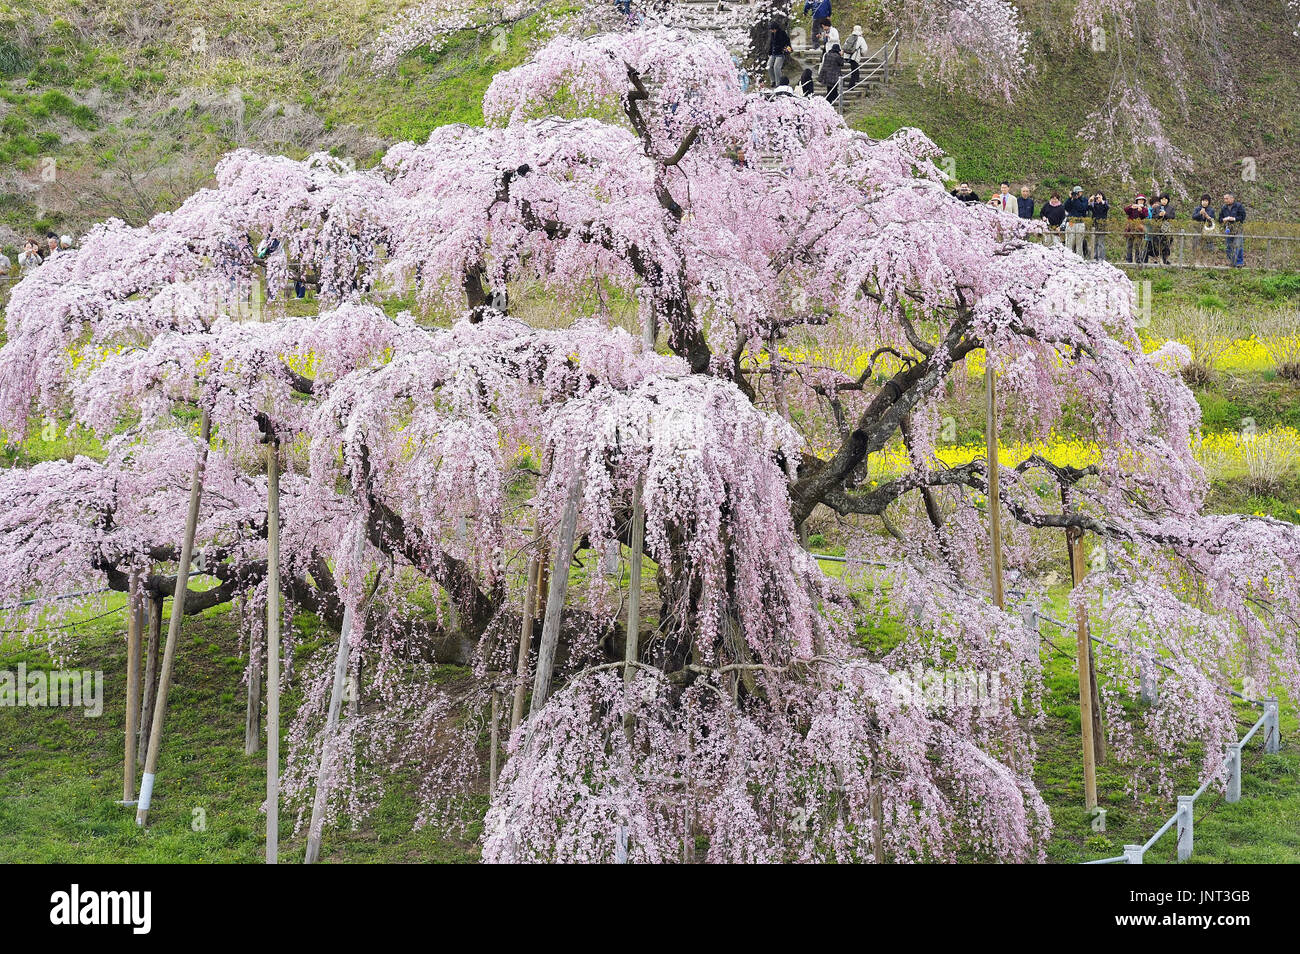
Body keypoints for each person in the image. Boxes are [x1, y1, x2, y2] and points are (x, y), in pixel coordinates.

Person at [1219, 192, 1246, 267]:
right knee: (1228, 247)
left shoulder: (1238, 206)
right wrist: (1223, 219)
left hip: (1238, 228)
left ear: (1232, 198)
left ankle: (1239, 263)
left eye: (1227, 198)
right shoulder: (1224, 207)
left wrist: (1233, 219)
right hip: (1228, 229)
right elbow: (1219, 219)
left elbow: (1243, 217)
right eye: (1224, 199)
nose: (1225, 200)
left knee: (1238, 246)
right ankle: (1231, 262)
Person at [1122, 194, 1150, 264]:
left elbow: (1145, 216)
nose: (1141, 201)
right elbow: (1126, 210)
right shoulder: (1133, 206)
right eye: (1139, 200)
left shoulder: (1144, 209)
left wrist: (1140, 211)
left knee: (1138, 244)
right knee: (1129, 244)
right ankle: (1128, 259)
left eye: (1142, 200)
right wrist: (1131, 207)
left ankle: (1138, 259)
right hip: (1130, 228)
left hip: (1139, 228)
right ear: (1137, 200)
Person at [1063, 186, 1089, 255]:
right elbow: (1066, 207)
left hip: (1080, 223)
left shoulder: (1084, 200)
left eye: (1080, 192)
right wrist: (1070, 198)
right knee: (1069, 241)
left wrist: (1076, 199)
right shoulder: (1070, 200)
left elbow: (1082, 208)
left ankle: (1079, 257)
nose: (1080, 193)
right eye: (1079, 192)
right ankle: (1067, 256)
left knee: (1079, 242)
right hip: (1071, 222)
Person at [1150, 194, 1176, 264]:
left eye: (1165, 199)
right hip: (1157, 228)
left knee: (1167, 243)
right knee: (1157, 243)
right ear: (1160, 200)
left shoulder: (1171, 208)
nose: (1164, 201)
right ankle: (1156, 258)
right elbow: (1153, 217)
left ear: (1168, 200)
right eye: (1162, 199)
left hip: (1167, 228)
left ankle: (1165, 259)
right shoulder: (1157, 208)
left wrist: (1166, 214)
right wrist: (1159, 215)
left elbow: (1173, 216)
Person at [767, 21, 792, 88]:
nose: (772, 31)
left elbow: (787, 42)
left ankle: (779, 83)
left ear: (776, 28)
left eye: (773, 29)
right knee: (769, 66)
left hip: (780, 54)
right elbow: (771, 44)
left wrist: (786, 49)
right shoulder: (772, 34)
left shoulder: (782, 33)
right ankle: (773, 81)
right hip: (773, 53)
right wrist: (769, 52)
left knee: (776, 67)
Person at [1088, 191, 1109, 261]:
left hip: (1102, 225)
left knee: (1101, 243)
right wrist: (1090, 201)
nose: (1098, 198)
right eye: (1097, 196)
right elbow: (1088, 208)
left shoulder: (1105, 203)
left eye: (1100, 196)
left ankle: (1101, 258)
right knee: (1095, 242)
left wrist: (1102, 201)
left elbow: (1107, 208)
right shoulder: (1094, 204)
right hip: (1094, 225)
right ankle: (1094, 257)